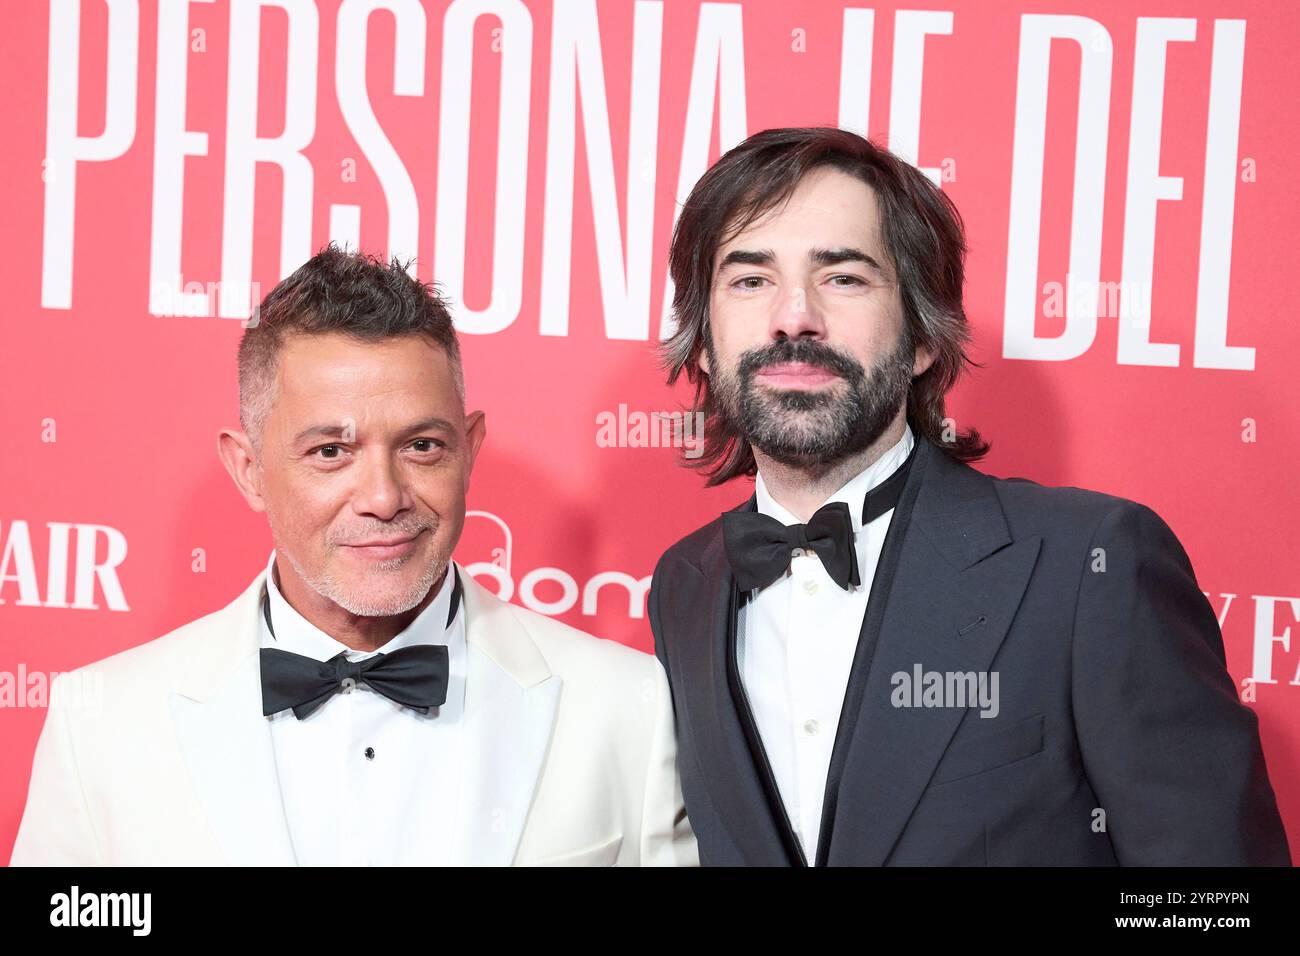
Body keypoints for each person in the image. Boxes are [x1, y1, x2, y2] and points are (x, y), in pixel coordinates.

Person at [647, 126, 1290, 866]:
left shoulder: (1089, 565)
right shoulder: (686, 585)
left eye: (844, 278)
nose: (795, 316)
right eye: (750, 279)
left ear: (923, 336)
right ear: (701, 339)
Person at [11, 245, 697, 866]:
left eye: (422, 446)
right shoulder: (101, 723)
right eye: (330, 452)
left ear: (469, 449)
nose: (382, 496)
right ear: (248, 469)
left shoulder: (625, 709)